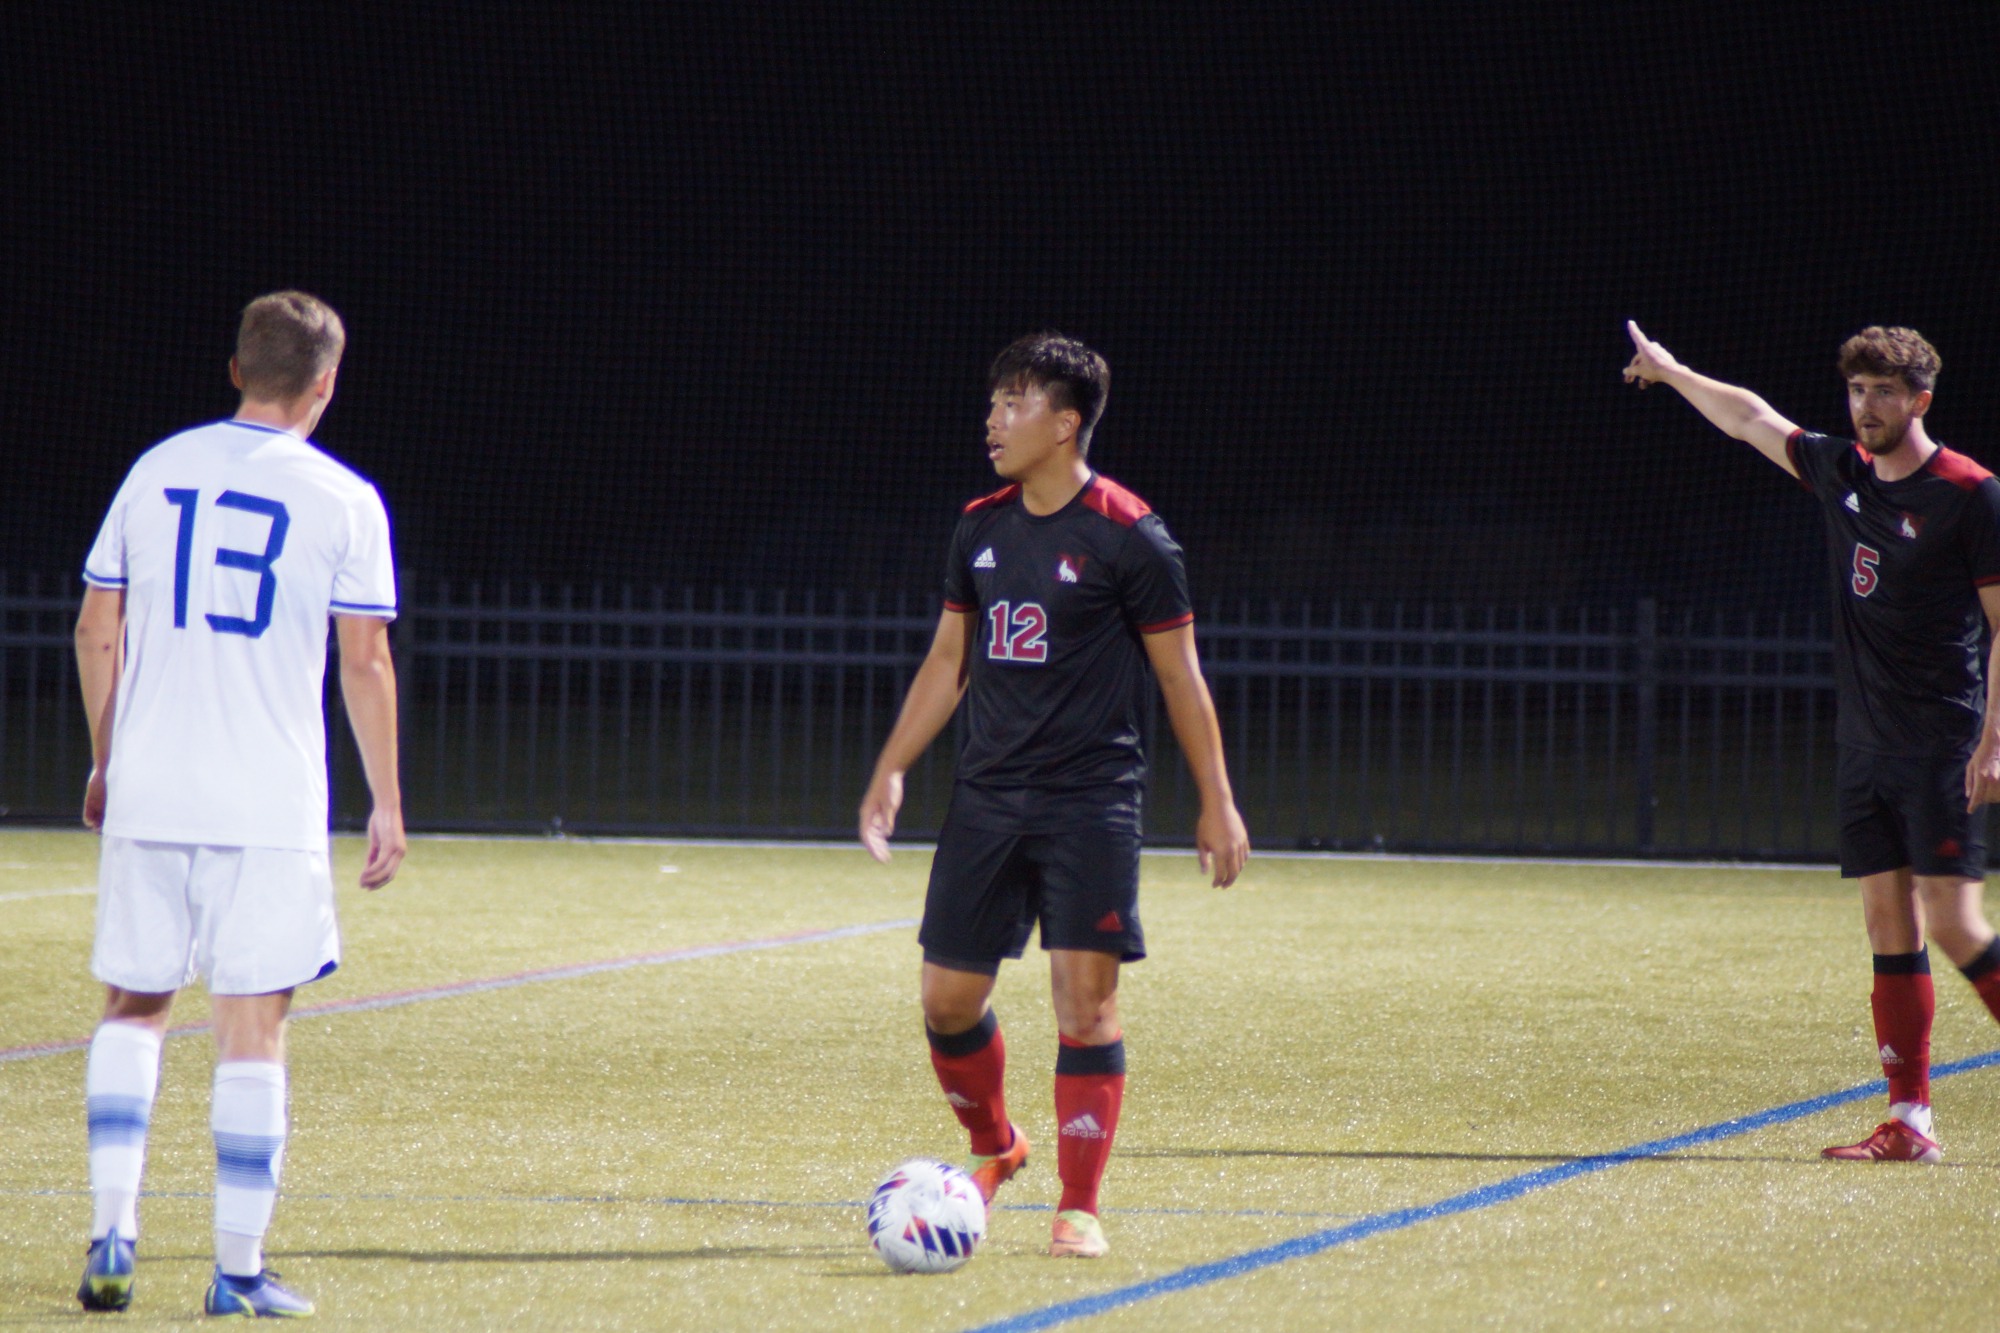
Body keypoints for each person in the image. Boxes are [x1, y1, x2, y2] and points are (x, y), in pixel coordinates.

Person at [859, 331, 1250, 1258]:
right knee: (947, 1001)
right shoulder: (980, 526)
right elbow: (948, 658)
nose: (993, 418)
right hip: (988, 797)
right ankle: (996, 1146)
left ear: (1066, 422)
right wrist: (893, 765)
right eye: (994, 401)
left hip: (1091, 800)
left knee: (1085, 1005)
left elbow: (1182, 677)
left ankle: (1080, 1205)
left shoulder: (1130, 534)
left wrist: (1217, 799)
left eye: (1015, 403)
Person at [72, 291, 405, 1315]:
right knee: (251, 1031)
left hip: (151, 786)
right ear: (326, 382)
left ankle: (113, 1228)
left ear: (234, 369)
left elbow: (95, 629)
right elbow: (364, 658)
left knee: (133, 1006)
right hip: (266, 801)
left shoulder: (154, 469)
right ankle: (238, 1271)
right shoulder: (344, 498)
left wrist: (105, 758)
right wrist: (387, 801)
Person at [1624, 320, 2000, 1162]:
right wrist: (1676, 371)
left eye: (1883, 393)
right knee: (1885, 924)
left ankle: (1912, 1117)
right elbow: (1753, 419)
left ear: (1921, 400)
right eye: (1857, 391)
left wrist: (1993, 737)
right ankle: (1909, 1121)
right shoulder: (1840, 472)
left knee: (1955, 922)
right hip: (1864, 743)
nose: (1866, 407)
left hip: (1939, 740)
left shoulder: (1969, 493)